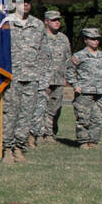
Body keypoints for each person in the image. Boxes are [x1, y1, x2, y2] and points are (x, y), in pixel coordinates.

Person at [3, 0, 46, 162]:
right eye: (22, 2)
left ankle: (19, 147)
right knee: (10, 113)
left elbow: (43, 53)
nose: (26, 5)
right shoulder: (6, 23)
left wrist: (42, 77)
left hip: (32, 77)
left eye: (28, 2)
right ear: (14, 3)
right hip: (11, 77)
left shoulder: (38, 25)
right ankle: (7, 148)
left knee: (27, 114)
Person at [67, 28, 102, 149]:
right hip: (84, 91)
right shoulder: (79, 55)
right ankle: (83, 141)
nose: (96, 41)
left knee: (98, 118)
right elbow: (69, 70)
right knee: (83, 117)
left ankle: (94, 141)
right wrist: (75, 85)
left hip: (100, 91)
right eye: (93, 39)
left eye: (97, 39)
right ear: (85, 40)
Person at [35, 10, 72, 143]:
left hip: (59, 79)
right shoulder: (40, 37)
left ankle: (50, 133)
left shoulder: (63, 38)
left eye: (58, 20)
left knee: (54, 109)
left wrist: (68, 77)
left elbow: (68, 59)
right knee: (40, 107)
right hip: (43, 79)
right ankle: (38, 134)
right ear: (46, 21)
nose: (57, 22)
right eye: (53, 20)